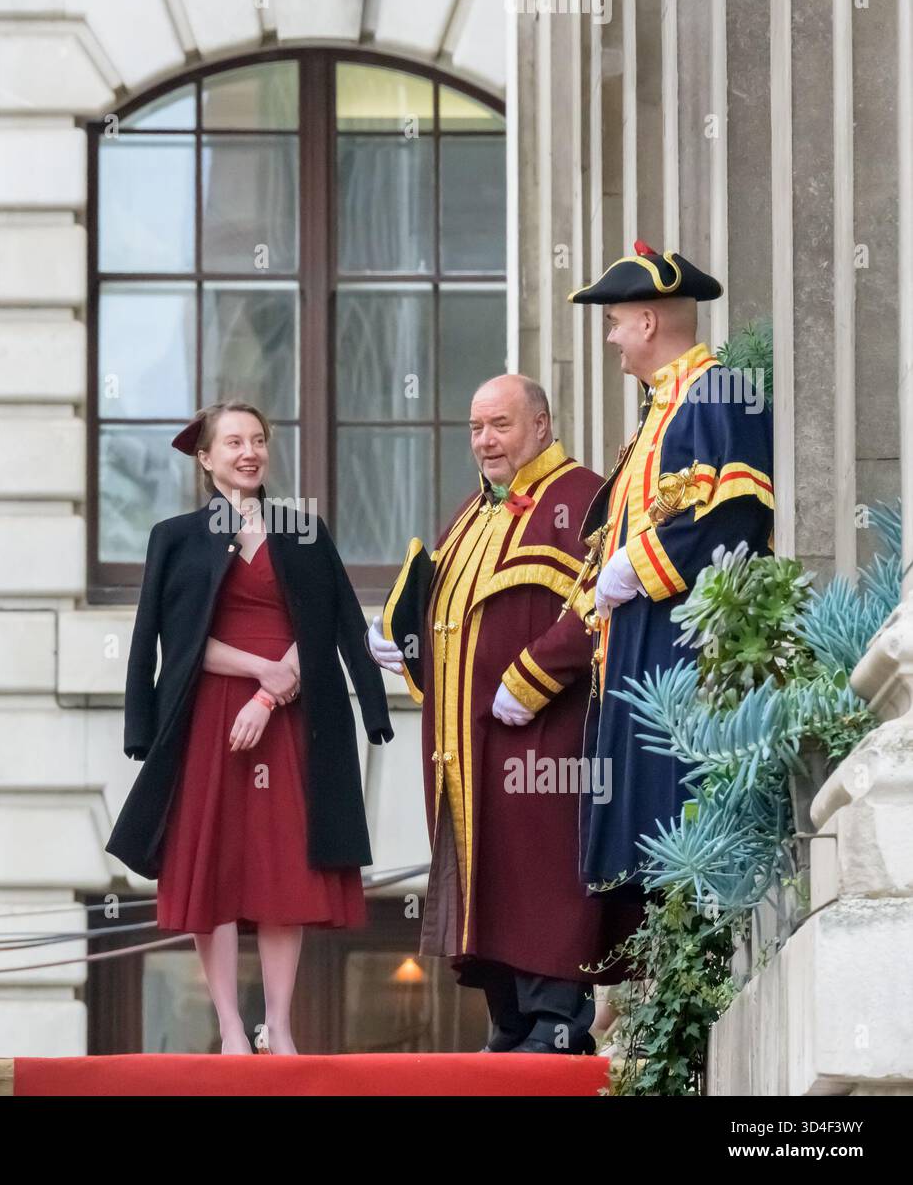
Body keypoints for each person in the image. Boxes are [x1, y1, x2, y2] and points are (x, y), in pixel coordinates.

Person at [106, 400, 393, 1056]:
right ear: (205, 459)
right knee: (214, 866)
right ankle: (233, 1029)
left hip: (293, 717)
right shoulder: (176, 537)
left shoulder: (303, 530)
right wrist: (265, 673)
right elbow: (175, 643)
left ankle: (280, 1027)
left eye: (258, 440)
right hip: (209, 714)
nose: (249, 452)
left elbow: (336, 623)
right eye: (233, 442)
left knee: (281, 867)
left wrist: (276, 691)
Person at [366, 375, 636, 1055]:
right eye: (477, 428)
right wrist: (404, 646)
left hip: (545, 734)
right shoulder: (469, 514)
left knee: (540, 866)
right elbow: (448, 622)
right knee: (478, 871)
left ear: (540, 426)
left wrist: (535, 676)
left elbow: (602, 603)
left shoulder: (584, 497)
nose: (486, 440)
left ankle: (557, 1017)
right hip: (463, 743)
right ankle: (510, 1017)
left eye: (501, 425)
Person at [567, 241, 775, 895]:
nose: (611, 340)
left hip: (683, 646)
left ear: (649, 323)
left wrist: (637, 564)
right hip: (642, 641)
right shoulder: (664, 406)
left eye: (615, 323)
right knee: (646, 840)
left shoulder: (716, 394)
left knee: (677, 813)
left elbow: (731, 516)